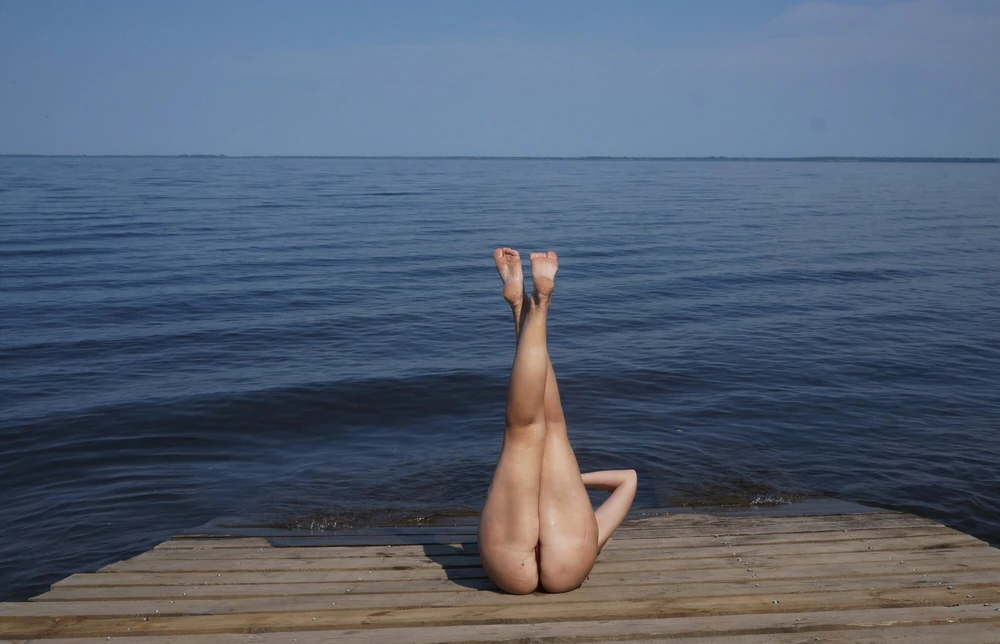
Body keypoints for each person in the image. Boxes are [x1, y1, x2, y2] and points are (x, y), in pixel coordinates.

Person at [478, 248, 638, 594]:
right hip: (534, 566)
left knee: (548, 427)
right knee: (522, 431)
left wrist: (573, 485)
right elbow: (630, 478)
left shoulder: (596, 529)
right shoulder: (592, 532)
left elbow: (629, 480)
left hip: (553, 557)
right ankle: (527, 305)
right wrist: (572, 483)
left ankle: (531, 306)